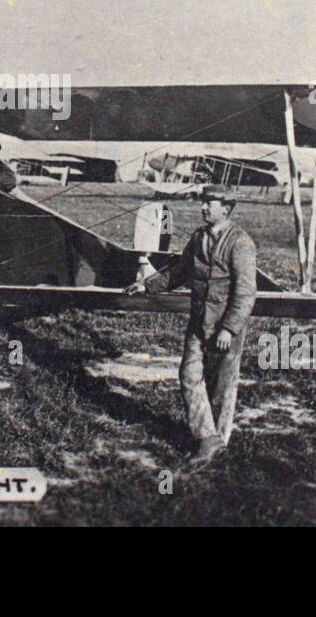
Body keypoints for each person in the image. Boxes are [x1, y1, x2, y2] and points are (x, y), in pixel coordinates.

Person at [126, 185, 257, 471]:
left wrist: (229, 329)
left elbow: (246, 292)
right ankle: (207, 438)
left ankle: (217, 441)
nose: (204, 207)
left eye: (210, 203)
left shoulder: (240, 242)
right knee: (189, 375)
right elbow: (178, 272)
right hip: (199, 321)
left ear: (227, 208)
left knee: (221, 386)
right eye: (203, 202)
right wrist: (146, 285)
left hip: (224, 326)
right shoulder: (199, 238)